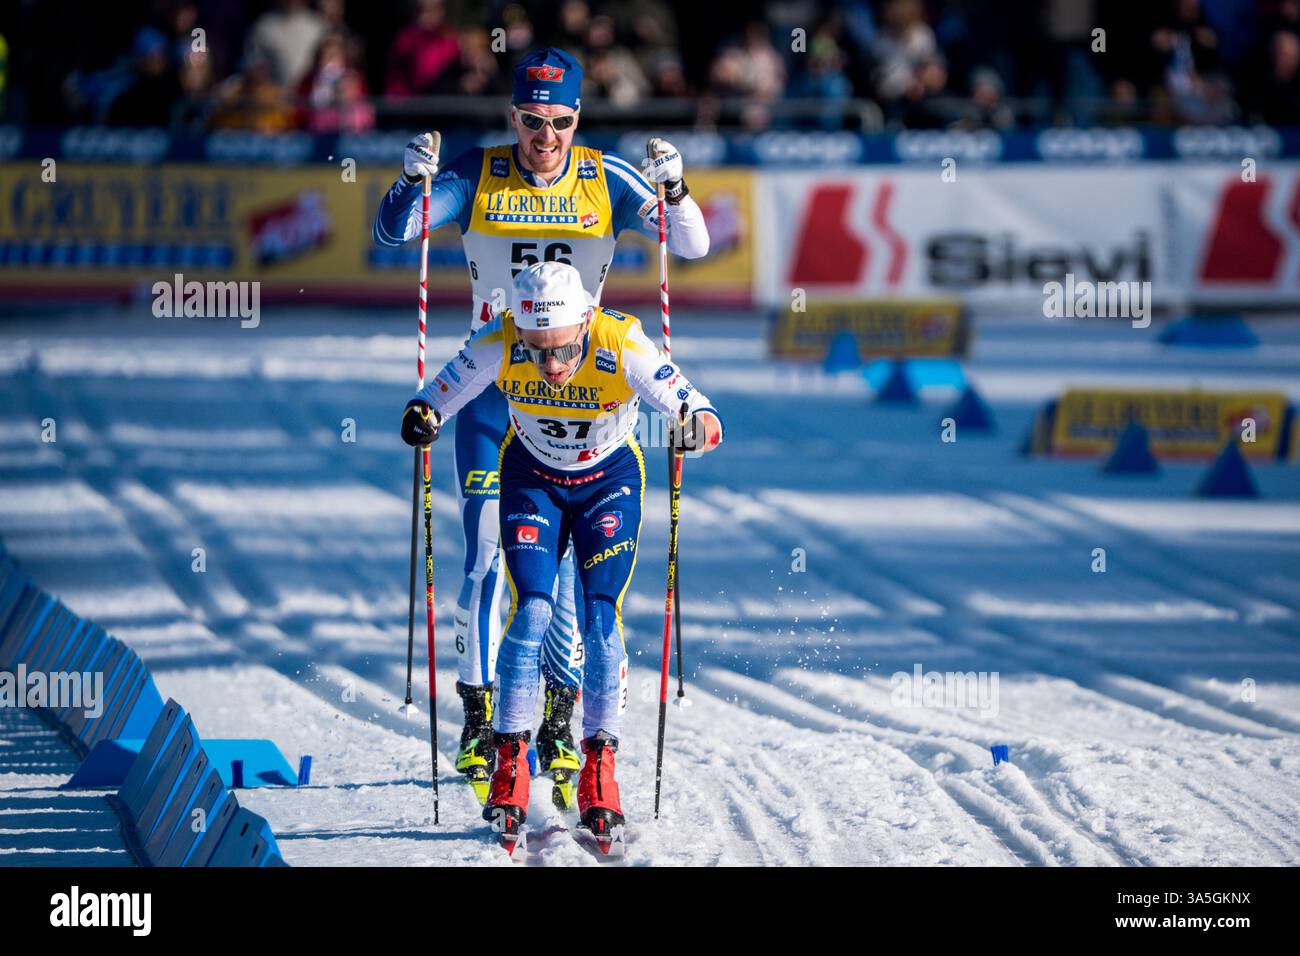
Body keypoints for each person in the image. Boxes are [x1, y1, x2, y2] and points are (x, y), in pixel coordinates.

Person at [372, 47, 710, 806]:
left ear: (577, 119)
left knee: (566, 580)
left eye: (559, 121)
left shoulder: (604, 177)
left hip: (574, 389)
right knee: (486, 557)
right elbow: (398, 232)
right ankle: (478, 717)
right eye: (531, 120)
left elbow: (691, 244)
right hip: (493, 387)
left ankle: (558, 716)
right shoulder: (480, 172)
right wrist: (408, 180)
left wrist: (676, 190)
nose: (545, 136)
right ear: (513, 116)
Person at [399, 261, 723, 838]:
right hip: (532, 479)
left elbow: (700, 409)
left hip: (608, 482)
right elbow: (436, 396)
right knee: (532, 611)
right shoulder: (500, 338)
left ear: (585, 322)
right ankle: (510, 765)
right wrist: (421, 416)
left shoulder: (620, 341)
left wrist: (695, 425)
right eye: (536, 350)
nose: (550, 365)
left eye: (564, 349)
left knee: (599, 619)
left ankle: (599, 768)